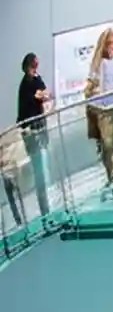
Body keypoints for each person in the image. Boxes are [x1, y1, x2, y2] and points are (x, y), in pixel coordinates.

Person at [85, 28, 113, 195]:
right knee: (107, 145)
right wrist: (94, 92)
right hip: (103, 109)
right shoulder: (97, 64)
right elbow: (89, 89)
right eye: (110, 44)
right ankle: (112, 178)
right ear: (103, 45)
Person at [16, 53, 51, 218]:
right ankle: (45, 211)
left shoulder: (36, 79)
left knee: (44, 170)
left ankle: (47, 208)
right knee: (40, 171)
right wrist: (42, 95)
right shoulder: (26, 84)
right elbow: (38, 95)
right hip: (31, 131)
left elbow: (45, 93)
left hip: (40, 127)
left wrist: (43, 95)